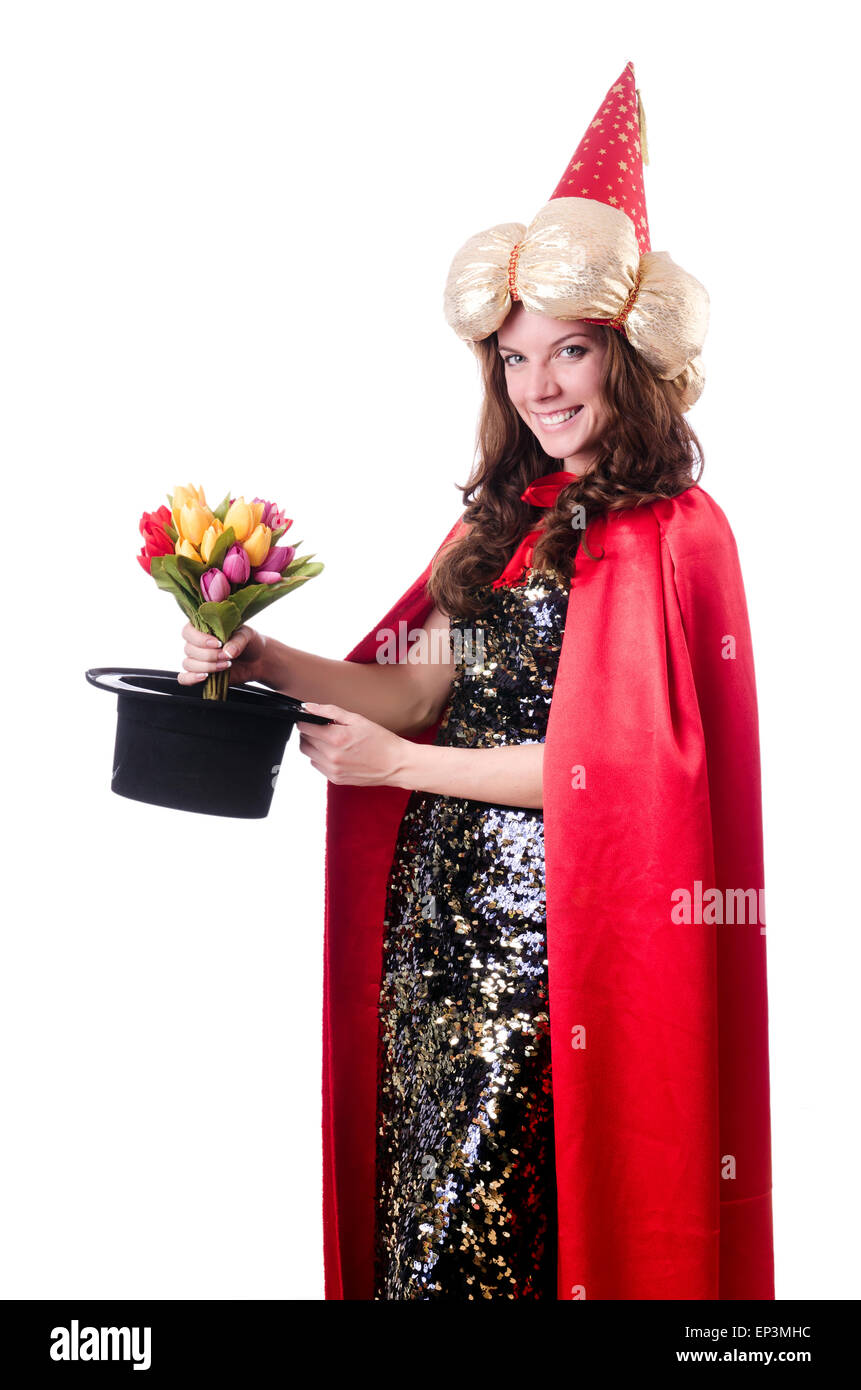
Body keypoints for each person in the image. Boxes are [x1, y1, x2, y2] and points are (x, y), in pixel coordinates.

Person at [178, 61, 774, 1301]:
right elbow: (410, 687)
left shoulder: (678, 531)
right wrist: (260, 653)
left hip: (560, 951)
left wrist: (401, 769)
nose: (540, 387)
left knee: (512, 1246)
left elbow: (611, 774)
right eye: (513, 360)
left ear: (632, 357)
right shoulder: (497, 528)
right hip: (431, 940)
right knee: (426, 1248)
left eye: (570, 353)